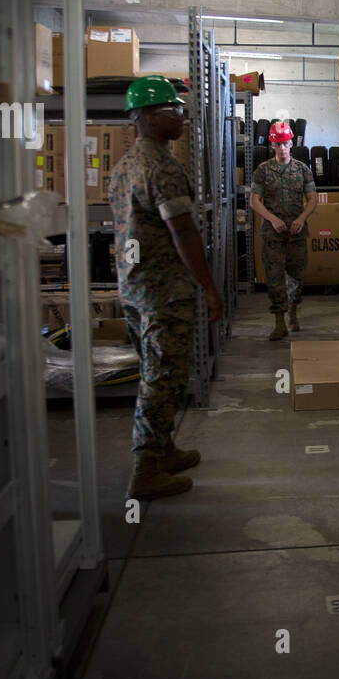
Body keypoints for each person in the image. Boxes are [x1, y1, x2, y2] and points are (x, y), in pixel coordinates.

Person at [107, 75, 222, 501]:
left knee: (158, 373)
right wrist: (209, 287)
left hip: (134, 291)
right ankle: (146, 469)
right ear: (150, 118)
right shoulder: (162, 168)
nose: (182, 118)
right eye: (174, 111)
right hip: (164, 293)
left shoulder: (123, 168)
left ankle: (164, 446)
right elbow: (184, 232)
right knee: (163, 377)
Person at [249, 120, 317, 340]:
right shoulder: (262, 171)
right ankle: (279, 322)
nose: (281, 148)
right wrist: (271, 219)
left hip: (296, 232)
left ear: (291, 144)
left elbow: (312, 199)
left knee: (296, 275)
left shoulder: (302, 169)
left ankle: (293, 312)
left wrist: (301, 218)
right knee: (275, 276)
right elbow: (254, 201)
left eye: (285, 144)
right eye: (277, 145)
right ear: (272, 146)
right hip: (272, 234)